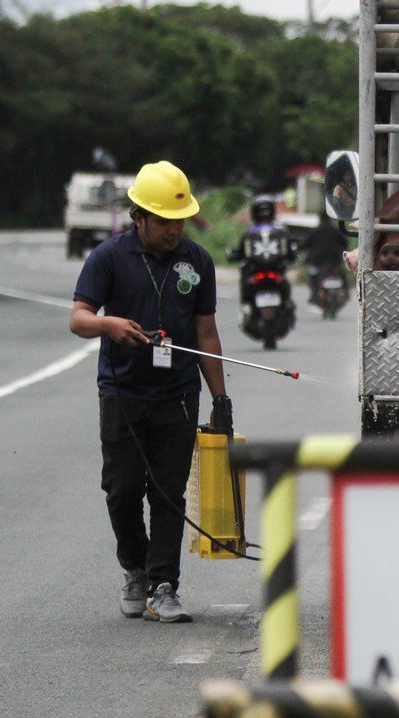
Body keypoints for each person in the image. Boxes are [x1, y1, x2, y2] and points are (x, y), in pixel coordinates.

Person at [68, 160, 231, 623]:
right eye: (163, 221)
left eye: (179, 220)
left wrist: (220, 398)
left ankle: (164, 585)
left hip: (177, 395)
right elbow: (78, 318)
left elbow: (207, 334)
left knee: (167, 493)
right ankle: (134, 570)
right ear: (138, 216)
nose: (173, 229)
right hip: (121, 393)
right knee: (121, 490)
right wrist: (107, 324)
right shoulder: (108, 258)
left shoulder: (197, 261)